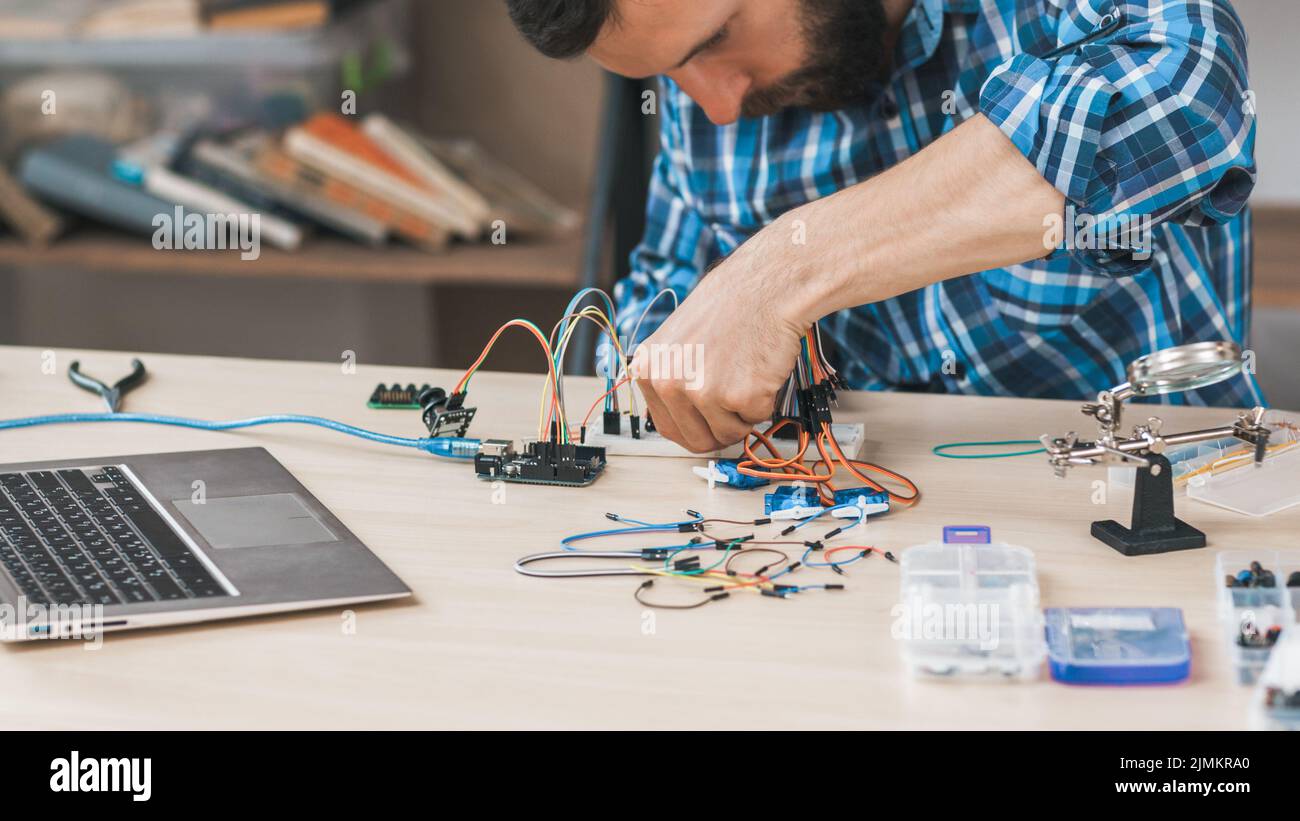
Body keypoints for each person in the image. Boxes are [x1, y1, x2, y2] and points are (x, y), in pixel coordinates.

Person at [505, 0, 1261, 453]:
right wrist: (672, 365)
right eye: (666, 76)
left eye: (712, 43)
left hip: (1156, 498)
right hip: (852, 541)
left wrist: (780, 273)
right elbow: (663, 300)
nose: (717, 107)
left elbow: (1184, 86)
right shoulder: (716, 94)